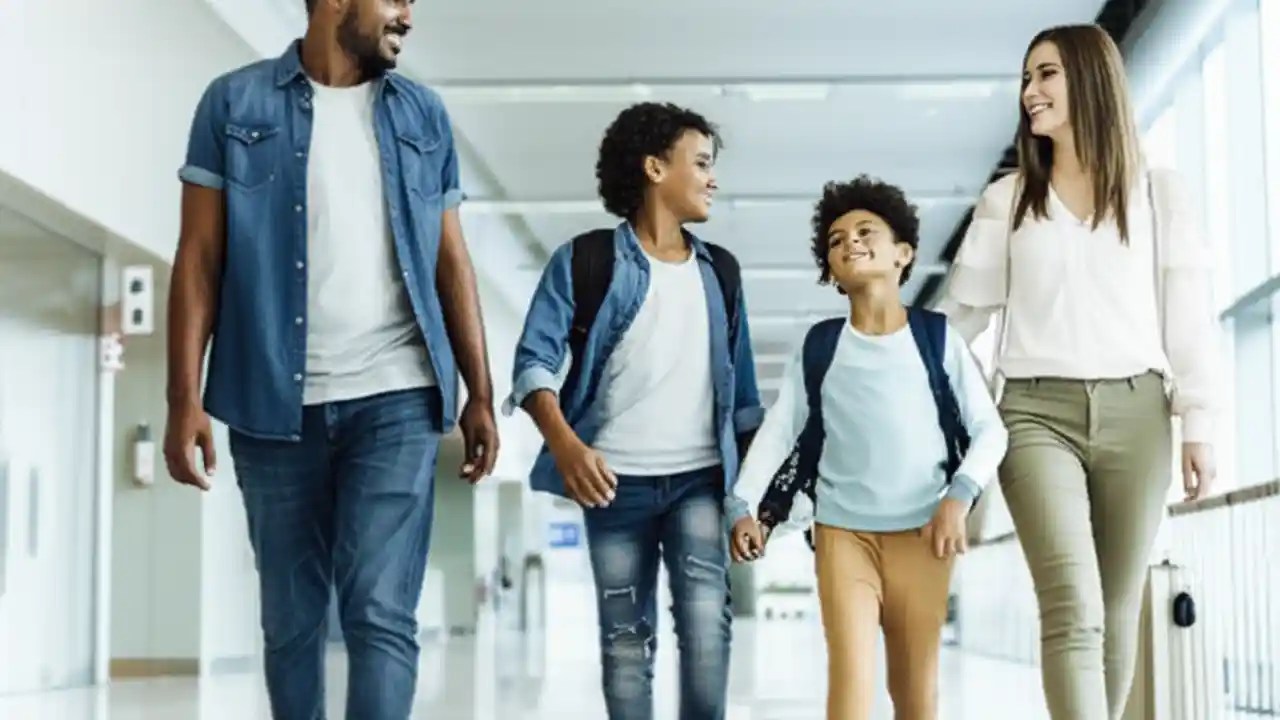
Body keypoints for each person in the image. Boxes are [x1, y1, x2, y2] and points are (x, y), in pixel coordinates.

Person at [164, 1, 499, 717]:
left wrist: (479, 391)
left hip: (398, 392)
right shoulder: (234, 102)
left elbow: (451, 258)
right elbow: (198, 259)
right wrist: (180, 399)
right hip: (268, 402)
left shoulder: (422, 114)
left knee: (380, 611)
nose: (408, 14)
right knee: (291, 623)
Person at [936, 24, 1219, 719]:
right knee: (1074, 604)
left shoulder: (1160, 195)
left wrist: (1199, 423)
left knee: (1118, 609)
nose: (1030, 92)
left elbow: (1187, 315)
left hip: (1139, 413)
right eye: (1027, 79)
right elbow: (958, 321)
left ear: (1091, 79)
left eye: (1046, 75)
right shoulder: (1008, 202)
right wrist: (881, 360)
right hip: (1033, 415)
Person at [503, 102, 763, 720]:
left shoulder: (720, 272)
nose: (712, 178)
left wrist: (749, 501)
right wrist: (565, 445)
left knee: (706, 634)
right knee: (624, 645)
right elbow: (533, 364)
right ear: (654, 168)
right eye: (699, 163)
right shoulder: (584, 261)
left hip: (700, 482)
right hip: (612, 486)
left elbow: (745, 399)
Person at [729, 176, 1007, 720]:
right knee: (851, 687)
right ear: (830, 271)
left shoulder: (937, 337)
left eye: (864, 231)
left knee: (914, 694)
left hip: (924, 535)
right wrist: (742, 504)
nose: (849, 242)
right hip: (843, 535)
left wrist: (959, 498)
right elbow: (780, 431)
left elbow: (990, 430)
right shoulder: (821, 346)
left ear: (904, 253)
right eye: (835, 240)